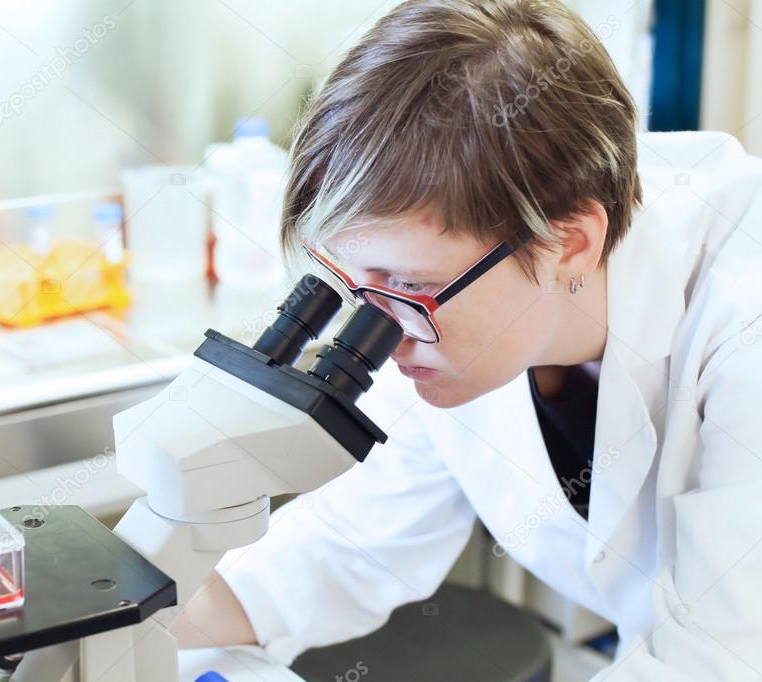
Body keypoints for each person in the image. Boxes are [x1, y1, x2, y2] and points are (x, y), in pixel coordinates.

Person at [171, 0, 762, 679]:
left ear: (568, 243)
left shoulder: (741, 319)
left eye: (406, 288)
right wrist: (113, 608)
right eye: (354, 285)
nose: (382, 340)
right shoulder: (462, 297)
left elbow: (714, 659)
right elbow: (349, 544)